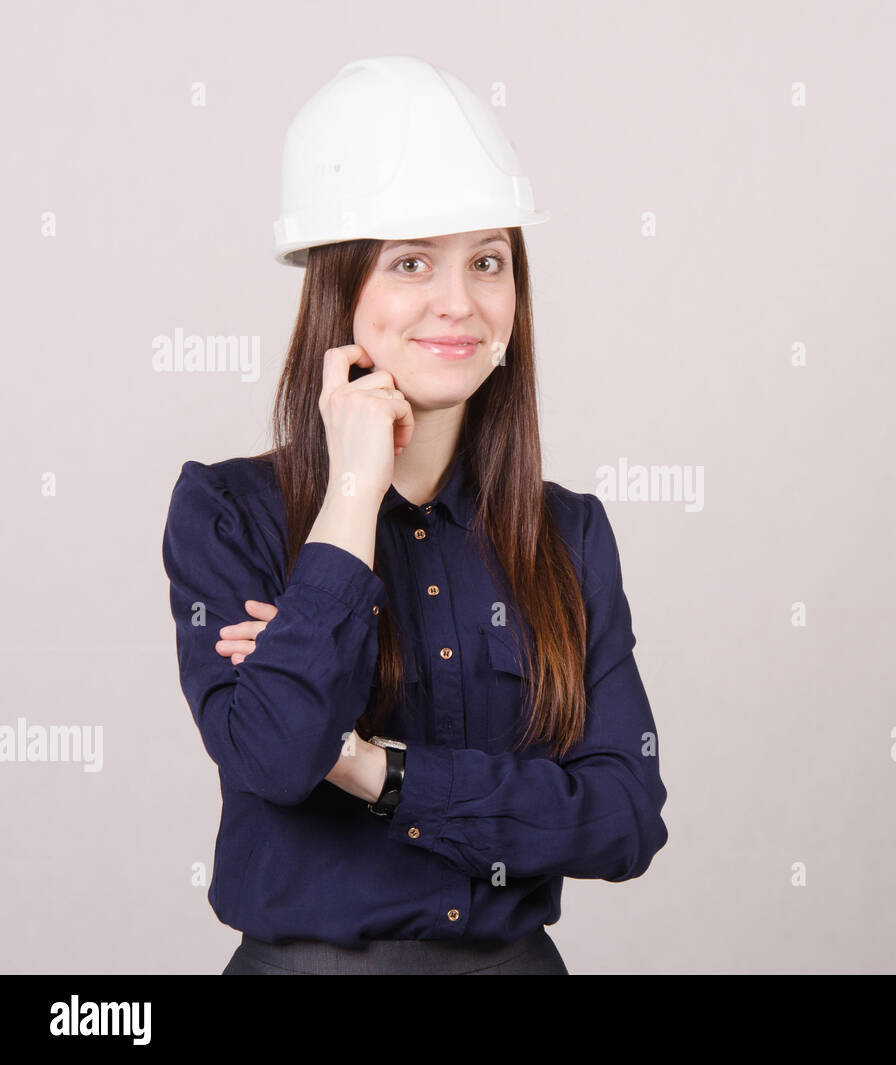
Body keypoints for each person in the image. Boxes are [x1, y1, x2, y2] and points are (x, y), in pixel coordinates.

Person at [161, 56, 669, 975]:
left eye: (487, 261)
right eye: (409, 263)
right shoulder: (229, 514)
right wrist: (353, 492)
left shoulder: (570, 534)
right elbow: (276, 757)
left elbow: (627, 815)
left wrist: (368, 767)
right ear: (339, 289)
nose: (459, 302)